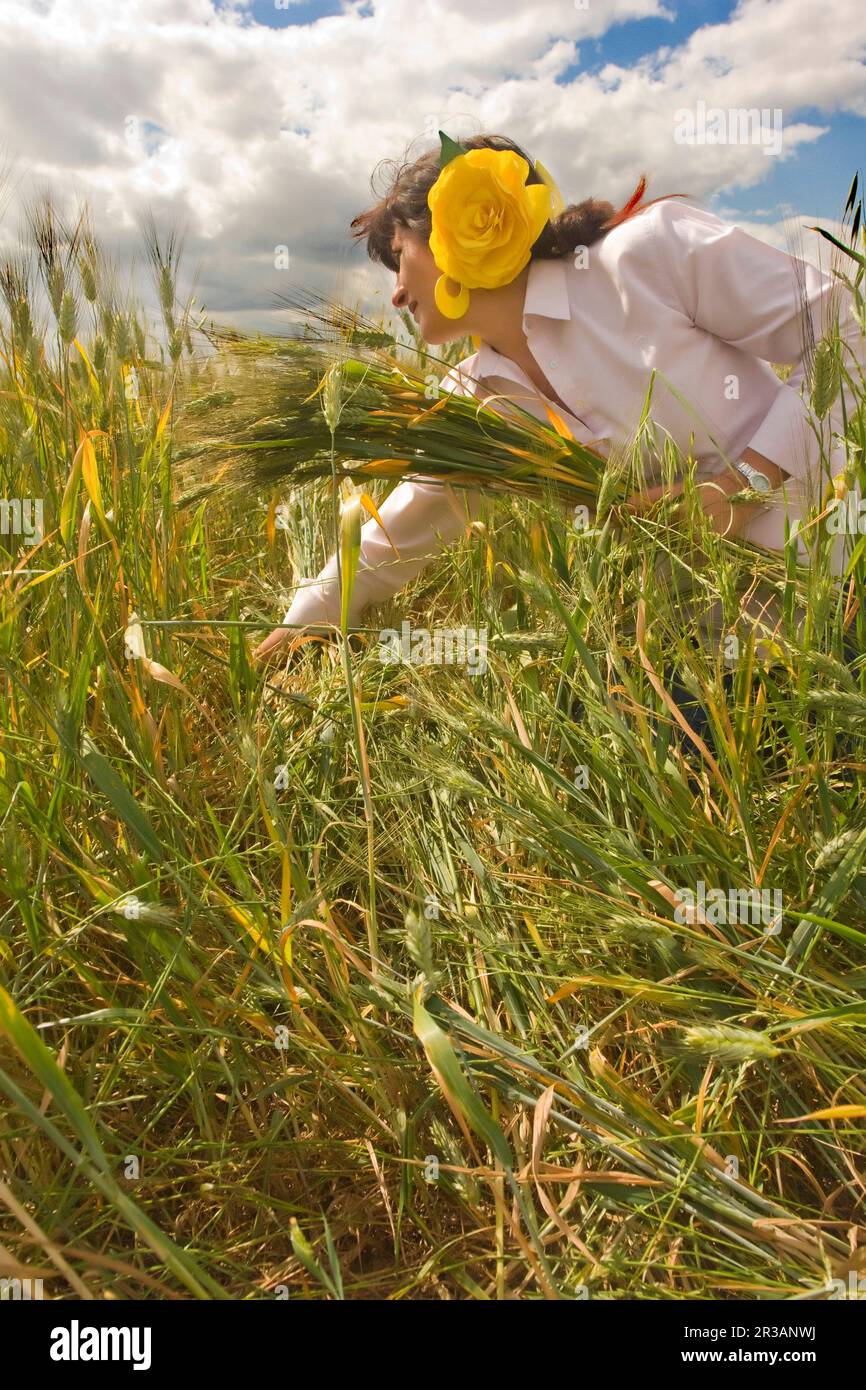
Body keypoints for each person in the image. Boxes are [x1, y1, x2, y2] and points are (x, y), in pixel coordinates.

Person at [253, 131, 863, 668]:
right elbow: (390, 539)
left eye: (397, 259)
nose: (393, 294)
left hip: (840, 580)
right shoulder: (470, 406)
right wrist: (294, 625)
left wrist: (742, 485)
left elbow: (844, 332)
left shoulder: (647, 255)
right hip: (722, 665)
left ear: (454, 232)